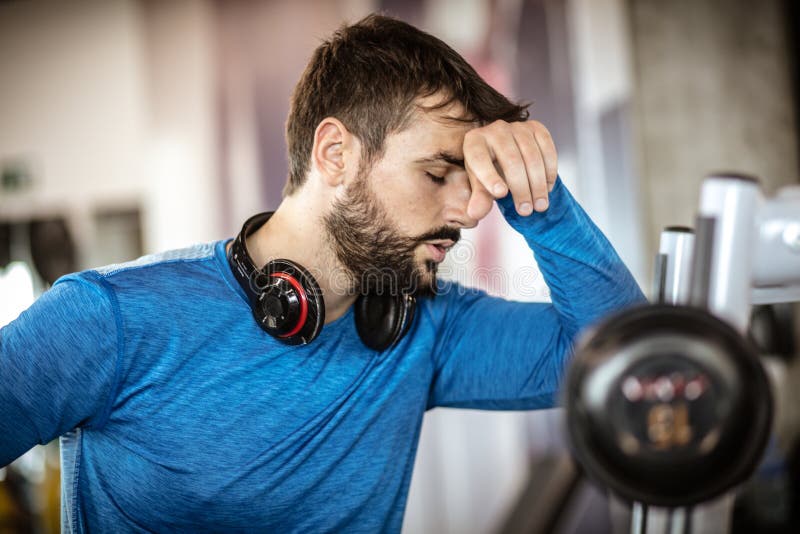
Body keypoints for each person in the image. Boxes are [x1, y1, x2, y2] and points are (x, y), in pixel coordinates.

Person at [0, 13, 645, 533]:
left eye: (476, 182)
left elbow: (623, 358)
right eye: (438, 172)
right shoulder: (105, 319)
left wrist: (542, 203)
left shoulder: (421, 328)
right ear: (336, 152)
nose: (473, 211)